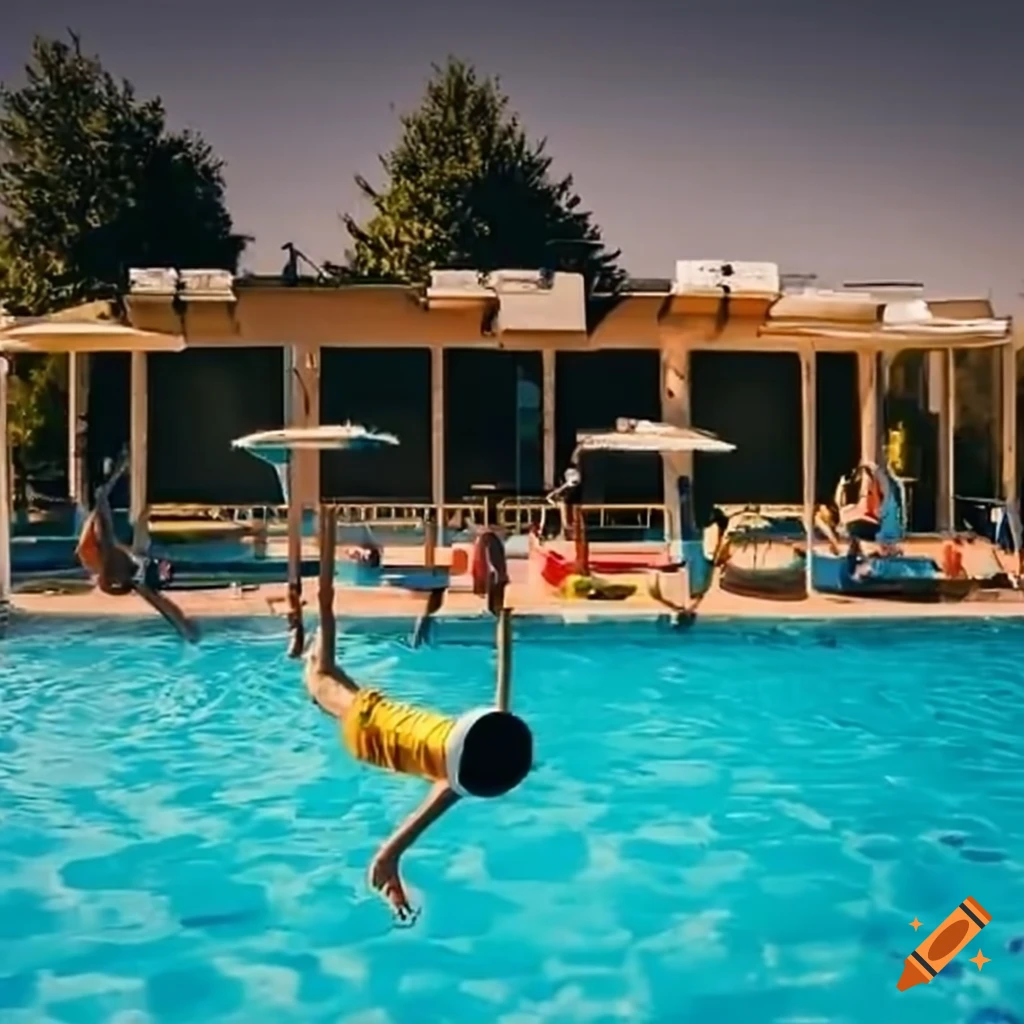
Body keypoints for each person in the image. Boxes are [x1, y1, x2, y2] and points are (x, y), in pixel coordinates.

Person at [303, 523, 532, 919]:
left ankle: (315, 630)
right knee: (326, 673)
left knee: (320, 675)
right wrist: (389, 855)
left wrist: (325, 593)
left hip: (440, 734)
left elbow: (438, 801)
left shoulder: (369, 729)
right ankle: (316, 629)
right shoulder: (452, 778)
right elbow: (432, 806)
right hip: (447, 741)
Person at [75, 452, 198, 643]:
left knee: (106, 508)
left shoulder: (116, 558)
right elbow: (162, 605)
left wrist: (119, 469)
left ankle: (185, 629)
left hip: (110, 559)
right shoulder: (120, 563)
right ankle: (185, 629)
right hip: (111, 560)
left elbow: (162, 604)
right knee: (106, 509)